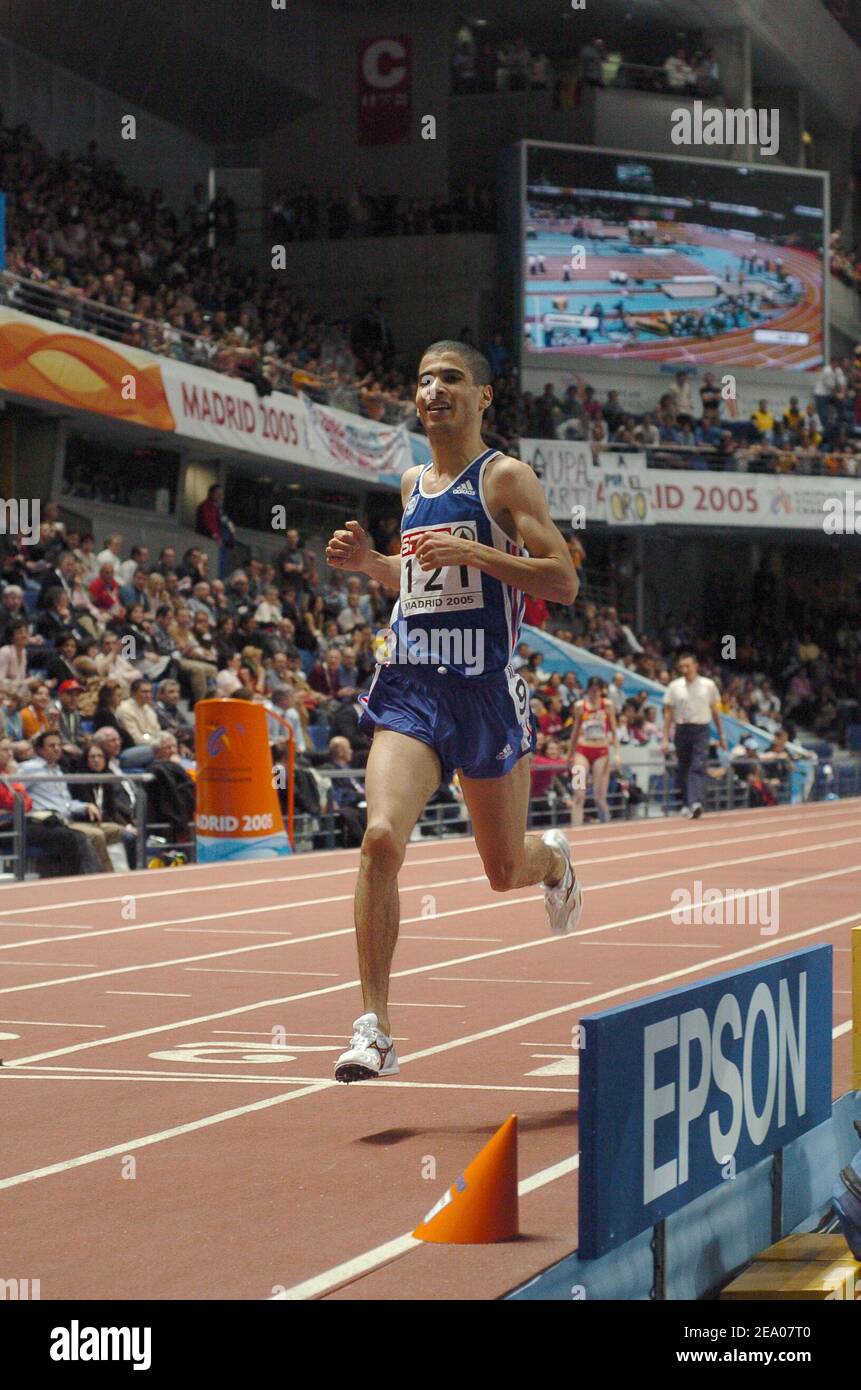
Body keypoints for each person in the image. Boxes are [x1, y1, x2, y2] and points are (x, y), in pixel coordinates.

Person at [324, 338, 582, 1083]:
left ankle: (553, 860)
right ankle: (373, 1027)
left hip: (483, 692)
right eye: (423, 379)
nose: (433, 390)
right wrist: (370, 565)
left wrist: (475, 554)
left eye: (451, 379)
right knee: (379, 839)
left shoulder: (504, 478)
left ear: (482, 397)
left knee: (503, 871)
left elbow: (560, 580)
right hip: (409, 685)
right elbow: (419, 585)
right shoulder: (410, 483)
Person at [661, 649, 726, 817]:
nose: (684, 670)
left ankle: (695, 802)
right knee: (683, 768)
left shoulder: (708, 685)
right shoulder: (674, 686)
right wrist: (664, 739)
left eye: (687, 666)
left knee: (697, 766)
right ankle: (686, 802)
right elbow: (668, 714)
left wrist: (721, 735)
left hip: (701, 730)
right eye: (681, 667)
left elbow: (715, 712)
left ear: (696, 666)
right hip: (682, 729)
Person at [566, 676, 622, 825]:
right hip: (582, 751)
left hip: (601, 753)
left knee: (599, 798)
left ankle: (606, 827)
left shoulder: (608, 705)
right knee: (578, 795)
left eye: (598, 690)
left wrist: (617, 754)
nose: (595, 693)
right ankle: (576, 832)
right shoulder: (580, 706)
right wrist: (569, 755)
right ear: (588, 689)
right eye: (592, 689)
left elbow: (615, 732)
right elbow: (575, 731)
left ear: (602, 690)